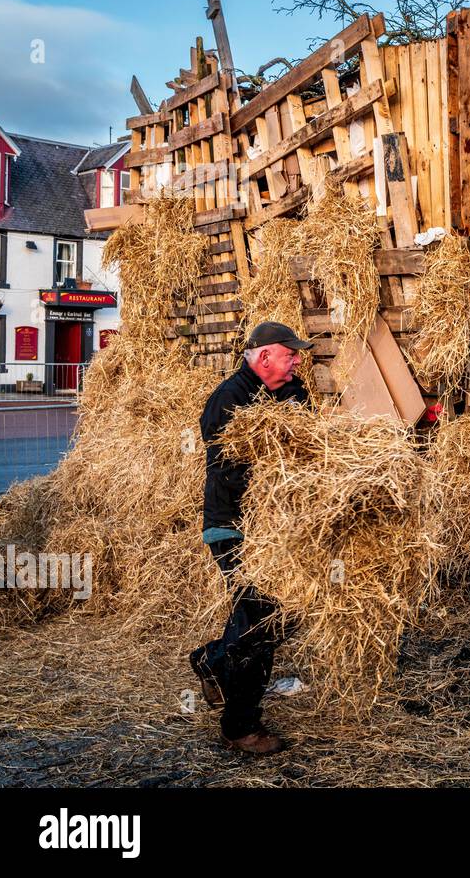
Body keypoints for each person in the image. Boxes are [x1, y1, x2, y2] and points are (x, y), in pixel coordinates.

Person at [190, 322, 313, 754]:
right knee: (262, 619)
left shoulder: (295, 395)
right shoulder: (229, 399)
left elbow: (314, 450)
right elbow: (229, 466)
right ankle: (239, 727)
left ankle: (213, 660)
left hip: (282, 531)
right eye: (290, 354)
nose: (297, 360)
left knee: (277, 615)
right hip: (233, 529)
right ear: (264, 358)